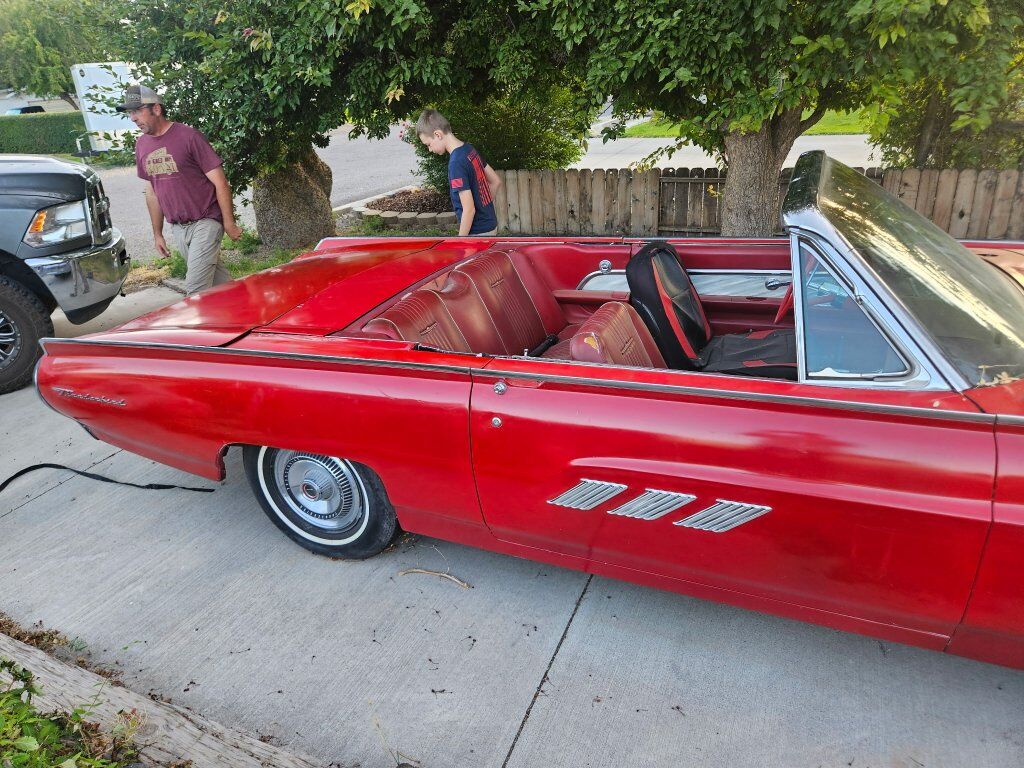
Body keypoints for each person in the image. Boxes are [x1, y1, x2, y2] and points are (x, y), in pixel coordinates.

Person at [116, 84, 242, 294]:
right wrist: (158, 233)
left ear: (156, 109)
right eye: (130, 112)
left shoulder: (189, 136)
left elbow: (220, 182)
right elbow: (152, 191)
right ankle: (246, 310)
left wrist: (229, 222)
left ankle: (199, 326)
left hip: (206, 221)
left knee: (195, 290)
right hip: (178, 227)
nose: (133, 118)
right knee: (220, 286)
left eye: (137, 111)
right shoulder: (142, 145)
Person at [416, 109, 502, 236]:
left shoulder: (456, 164)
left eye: (428, 144)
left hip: (477, 233)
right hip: (490, 226)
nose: (429, 149)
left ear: (438, 134)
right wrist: (483, 210)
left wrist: (460, 240)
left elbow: (469, 210)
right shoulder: (469, 149)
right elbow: (496, 181)